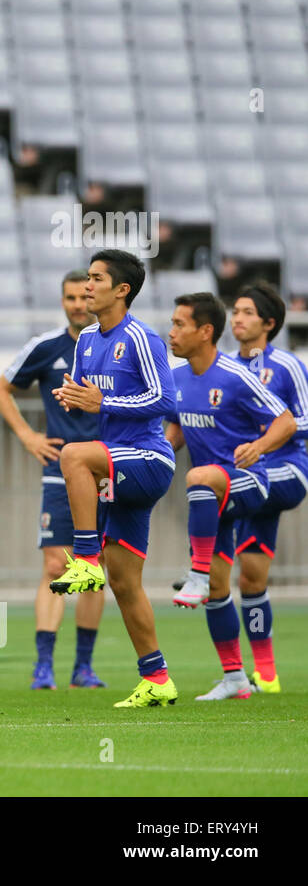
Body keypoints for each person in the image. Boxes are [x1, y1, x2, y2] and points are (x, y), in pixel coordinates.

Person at [51, 249, 179, 708]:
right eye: (87, 277)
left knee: (73, 455)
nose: (88, 286)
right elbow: (88, 394)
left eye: (97, 278)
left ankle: (85, 557)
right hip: (116, 464)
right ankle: (157, 678)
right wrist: (72, 396)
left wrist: (100, 403)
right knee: (124, 583)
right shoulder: (86, 339)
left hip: (148, 459)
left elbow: (165, 398)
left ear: (122, 290)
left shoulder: (141, 337)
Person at [163, 292, 293, 701]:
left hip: (250, 483)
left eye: (180, 324)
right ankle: (235, 677)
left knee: (200, 476)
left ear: (205, 332)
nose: (171, 331)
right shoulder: (176, 379)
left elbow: (285, 421)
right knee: (222, 589)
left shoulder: (235, 375)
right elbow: (176, 433)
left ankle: (196, 575)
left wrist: (261, 447)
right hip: (210, 497)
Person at [0, 271, 106, 690]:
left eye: (83, 296)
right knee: (56, 565)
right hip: (60, 469)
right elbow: (1, 389)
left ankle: (84, 667)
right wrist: (27, 435)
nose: (78, 304)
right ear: (62, 301)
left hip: (107, 470)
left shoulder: (116, 346)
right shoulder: (46, 347)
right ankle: (44, 665)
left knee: (94, 568)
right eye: (70, 297)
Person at [227, 282, 308, 693]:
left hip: (286, 472)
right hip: (248, 479)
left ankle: (198, 564)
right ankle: (267, 675)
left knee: (212, 494)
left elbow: (305, 420)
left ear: (269, 323)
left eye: (246, 312)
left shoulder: (289, 366)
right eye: (235, 310)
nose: (237, 318)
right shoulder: (224, 367)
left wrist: (263, 443)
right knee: (251, 579)